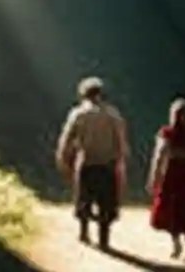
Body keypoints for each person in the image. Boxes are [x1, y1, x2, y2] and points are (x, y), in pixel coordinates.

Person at [55, 76, 129, 249]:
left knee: (84, 198)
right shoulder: (112, 114)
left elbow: (66, 139)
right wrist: (121, 161)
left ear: (83, 94)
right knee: (106, 201)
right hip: (107, 164)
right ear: (100, 94)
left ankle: (84, 232)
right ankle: (104, 239)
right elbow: (121, 141)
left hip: (87, 162)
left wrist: (62, 158)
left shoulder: (78, 114)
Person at [147, 96, 185, 262]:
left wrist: (154, 177)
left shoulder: (168, 133)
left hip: (175, 174)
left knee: (175, 211)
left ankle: (179, 246)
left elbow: (159, 156)